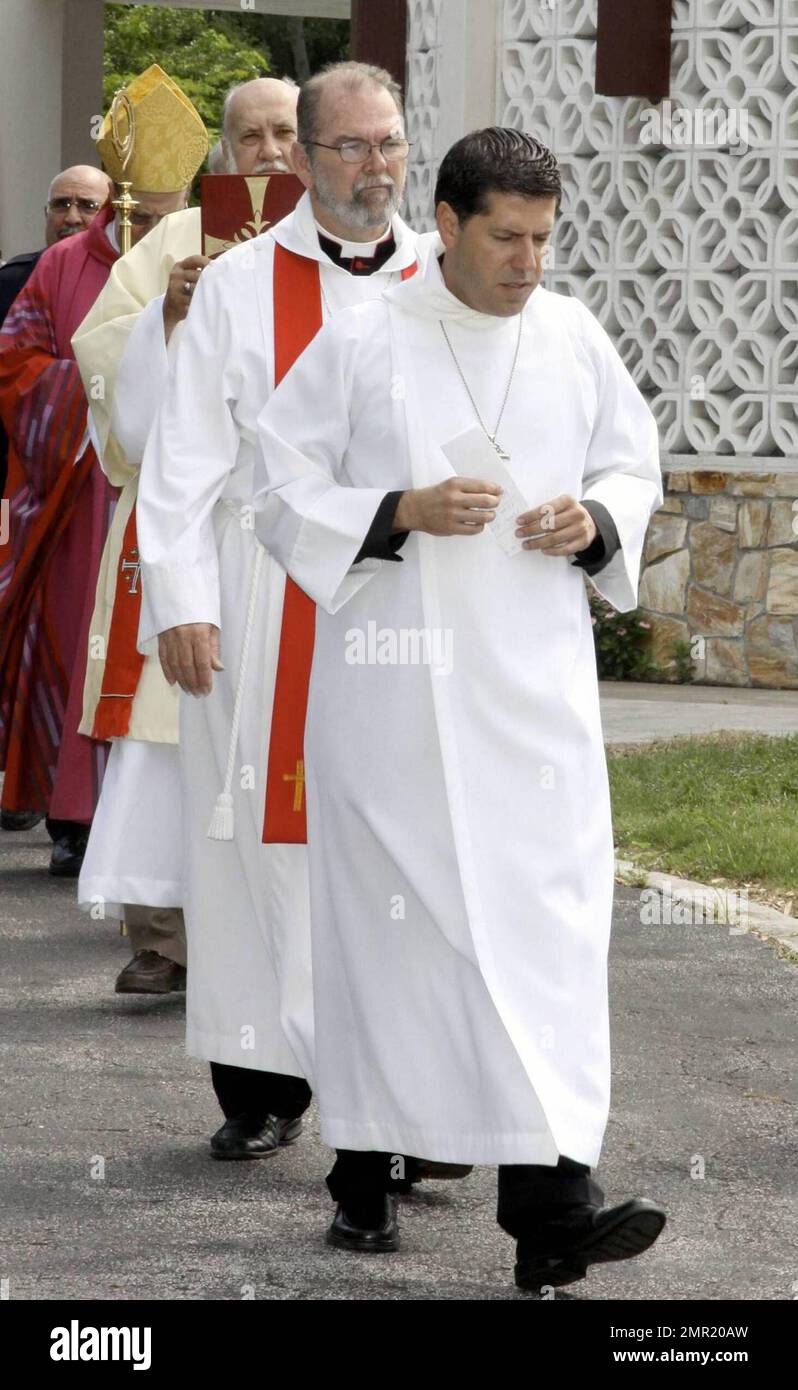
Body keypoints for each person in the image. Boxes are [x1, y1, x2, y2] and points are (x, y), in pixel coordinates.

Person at [252, 128, 666, 1290]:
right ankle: (366, 1165)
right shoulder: (364, 335)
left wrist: (596, 518)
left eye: (543, 236)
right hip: (393, 704)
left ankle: (552, 1214)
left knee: (546, 933)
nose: (529, 260)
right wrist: (398, 509)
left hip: (533, 704)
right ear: (444, 222)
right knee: (401, 943)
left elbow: (634, 464)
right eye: (506, 236)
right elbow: (276, 483)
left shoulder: (574, 335)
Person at [136, 62, 436, 1162]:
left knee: (403, 844)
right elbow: (181, 459)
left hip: (409, 603)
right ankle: (263, 1079)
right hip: (261, 602)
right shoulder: (238, 285)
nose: (374, 167)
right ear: (302, 159)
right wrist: (181, 599)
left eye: (389, 143)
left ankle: (415, 1096)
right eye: (350, 147)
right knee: (257, 836)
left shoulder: (445, 280)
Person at [72, 77, 297, 995]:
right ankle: (164, 932)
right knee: (172, 723)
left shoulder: (349, 251)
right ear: (220, 153)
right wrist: (167, 318)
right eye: (252, 136)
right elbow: (105, 372)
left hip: (291, 524)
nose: (271, 152)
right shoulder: (173, 241)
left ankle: (286, 925)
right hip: (190, 518)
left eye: (287, 132)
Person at [0, 66, 201, 880]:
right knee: (74, 642)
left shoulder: (204, 249)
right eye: (132, 205)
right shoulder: (60, 266)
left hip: (174, 483)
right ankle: (73, 815)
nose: (140, 221)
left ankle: (153, 831)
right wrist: (93, 399)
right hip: (82, 494)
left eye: (159, 210)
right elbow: (18, 359)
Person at [0, 167, 112, 578]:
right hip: (15, 474)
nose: (72, 216)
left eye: (87, 205)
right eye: (61, 205)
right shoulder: (11, 281)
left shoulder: (128, 278)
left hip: (97, 483)